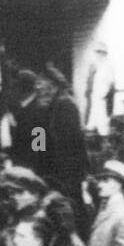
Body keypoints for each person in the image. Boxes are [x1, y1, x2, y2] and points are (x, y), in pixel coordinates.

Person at [39, 66, 91, 209]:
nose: (39, 87)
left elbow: (71, 140)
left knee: (71, 204)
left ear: (53, 84)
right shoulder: (51, 105)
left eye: (42, 82)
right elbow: (39, 139)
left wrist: (40, 155)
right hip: (58, 169)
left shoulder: (64, 105)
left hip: (67, 170)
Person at [84, 41, 116, 137]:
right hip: (95, 98)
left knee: (102, 124)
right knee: (92, 123)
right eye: (96, 52)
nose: (97, 55)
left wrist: (104, 96)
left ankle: (104, 139)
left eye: (99, 52)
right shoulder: (95, 66)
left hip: (102, 99)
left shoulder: (107, 66)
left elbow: (110, 83)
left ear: (103, 53)